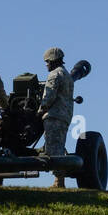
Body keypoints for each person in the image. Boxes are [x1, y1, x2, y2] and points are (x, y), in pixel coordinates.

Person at [37, 48, 74, 188]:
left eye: (47, 61)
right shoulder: (67, 75)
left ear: (53, 60)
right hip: (64, 115)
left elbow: (48, 97)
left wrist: (39, 111)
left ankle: (59, 181)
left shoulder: (55, 74)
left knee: (55, 148)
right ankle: (60, 179)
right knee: (58, 144)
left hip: (54, 115)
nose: (46, 64)